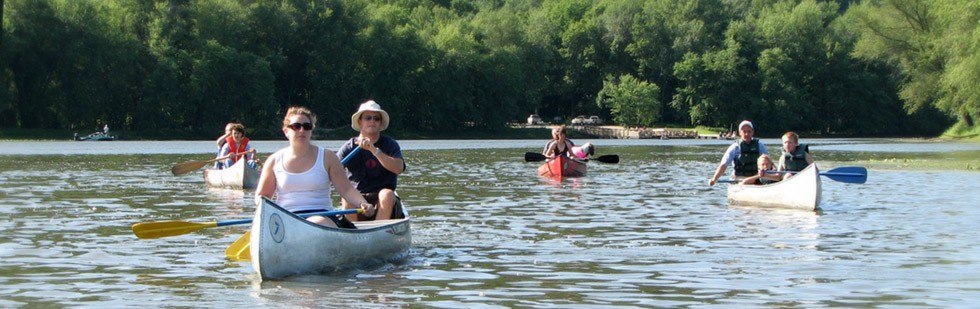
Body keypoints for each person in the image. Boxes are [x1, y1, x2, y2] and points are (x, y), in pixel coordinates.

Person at [254, 106, 375, 228]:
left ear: (311, 130)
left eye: (307, 126)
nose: (302, 130)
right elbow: (262, 196)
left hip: (322, 216)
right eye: (296, 126)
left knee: (315, 222)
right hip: (286, 218)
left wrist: (363, 203)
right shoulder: (274, 160)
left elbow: (346, 189)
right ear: (286, 131)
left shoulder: (328, 157)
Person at [337, 100, 406, 222]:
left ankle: (379, 228)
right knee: (347, 196)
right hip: (357, 198)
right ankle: (352, 232)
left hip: (383, 199)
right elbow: (333, 171)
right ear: (360, 121)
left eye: (376, 118)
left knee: (387, 194)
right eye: (368, 118)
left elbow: (399, 168)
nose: (372, 121)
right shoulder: (348, 147)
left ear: (380, 123)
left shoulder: (390, 144)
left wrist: (374, 150)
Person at [708, 120, 769, 186]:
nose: (747, 134)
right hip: (739, 179)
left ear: (752, 132)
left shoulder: (760, 146)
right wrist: (714, 179)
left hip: (755, 178)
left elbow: (769, 163)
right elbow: (723, 165)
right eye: (744, 132)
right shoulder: (735, 147)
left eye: (749, 131)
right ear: (740, 133)